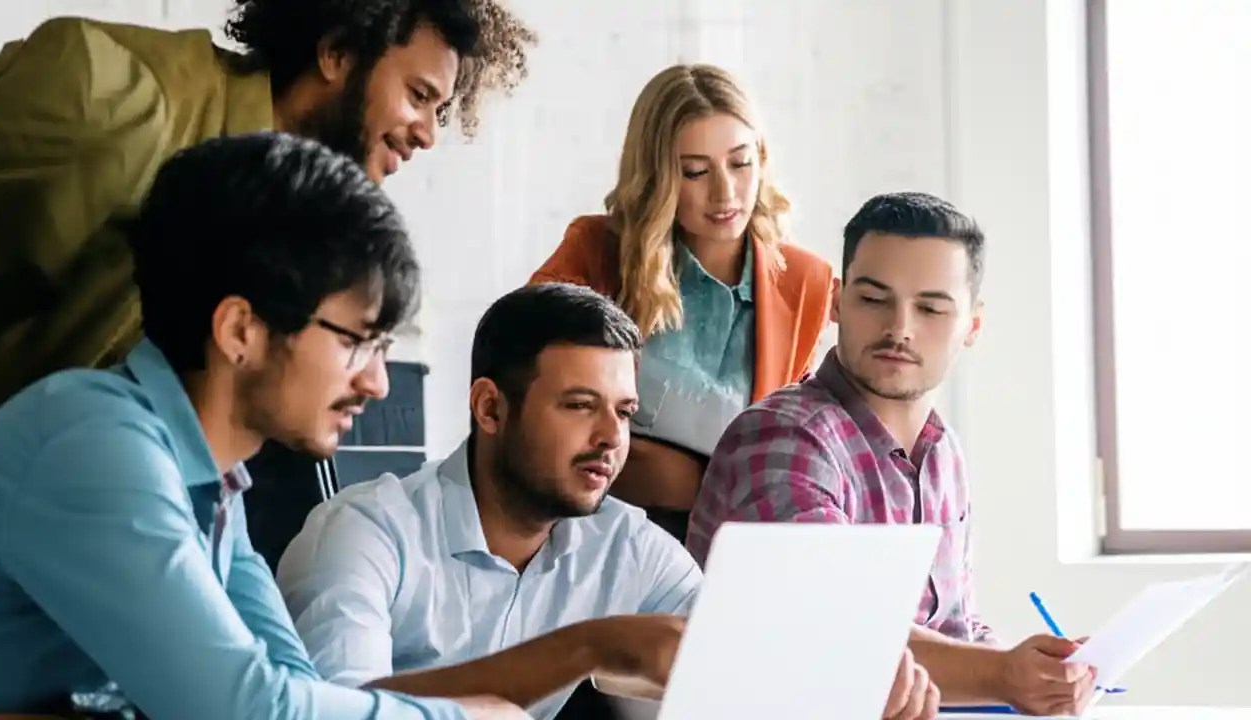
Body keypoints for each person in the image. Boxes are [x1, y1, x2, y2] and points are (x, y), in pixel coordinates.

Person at [0, 133, 526, 719]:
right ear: (241, 330)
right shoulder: (95, 446)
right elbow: (247, 711)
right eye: (358, 342)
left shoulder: (215, 483)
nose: (378, 383)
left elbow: (285, 683)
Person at [277, 282, 941, 720]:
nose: (610, 440)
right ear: (489, 407)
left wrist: (855, 684)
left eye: (624, 412)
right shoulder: (363, 532)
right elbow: (335, 713)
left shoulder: (629, 547)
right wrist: (587, 647)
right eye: (579, 407)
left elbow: (750, 657)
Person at [0, 0, 537, 423]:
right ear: (336, 52)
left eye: (441, 111)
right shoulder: (113, 95)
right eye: (418, 96)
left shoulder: (289, 211)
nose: (429, 135)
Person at [686, 191, 1099, 716]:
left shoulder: (942, 452)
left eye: (930, 308)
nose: (899, 328)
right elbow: (834, 631)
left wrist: (1047, 673)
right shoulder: (784, 439)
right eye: (874, 299)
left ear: (972, 324)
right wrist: (1002, 675)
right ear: (836, 302)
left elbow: (956, 627)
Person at [530, 63, 834, 541]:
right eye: (694, 171)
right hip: (594, 530)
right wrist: (659, 472)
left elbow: (785, 446)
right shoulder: (595, 251)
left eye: (740, 163)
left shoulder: (806, 281)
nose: (725, 193)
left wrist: (694, 482)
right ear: (656, 174)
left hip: (727, 542)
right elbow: (524, 390)